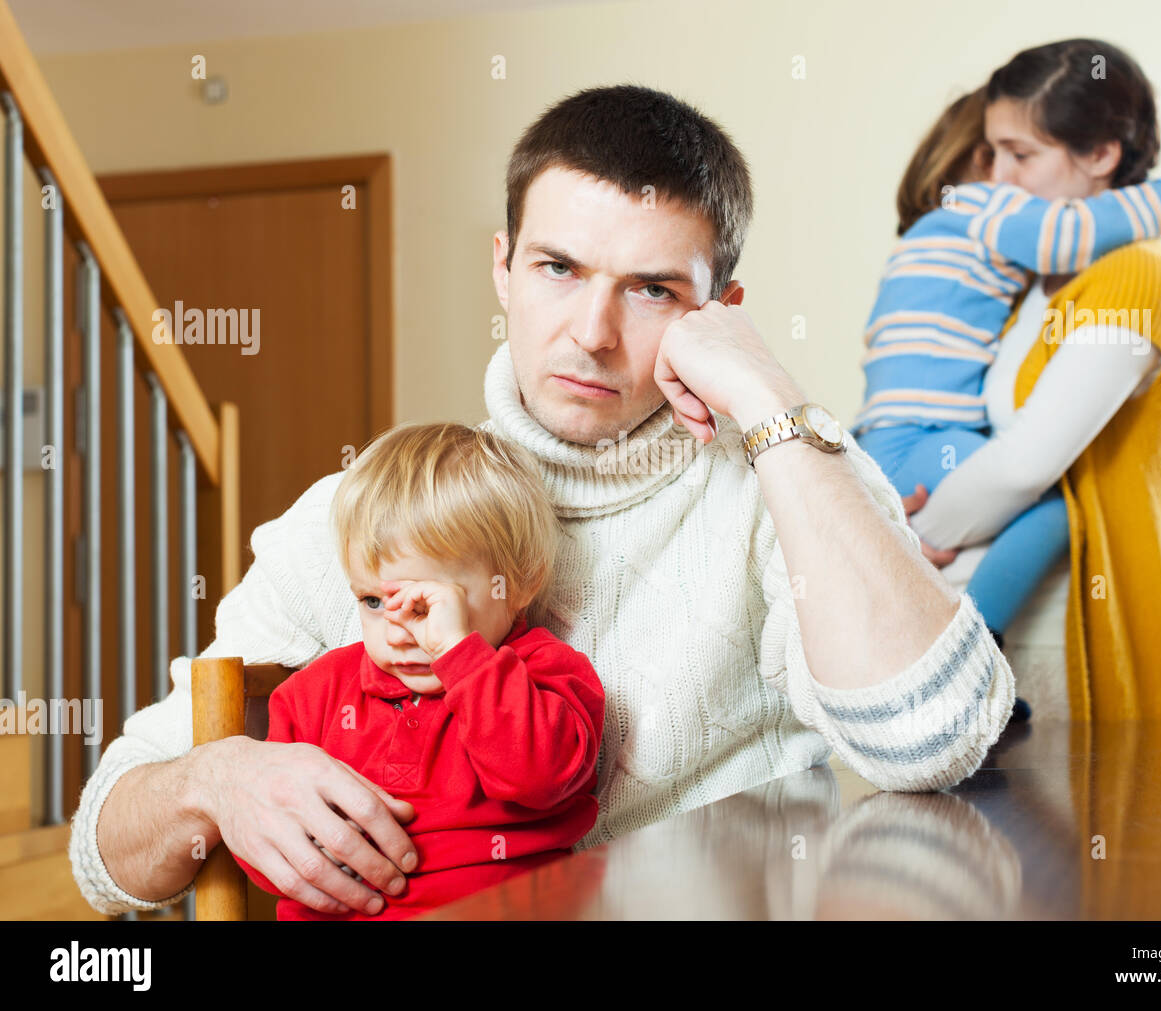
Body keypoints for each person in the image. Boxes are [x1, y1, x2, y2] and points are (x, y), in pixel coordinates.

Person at [69, 84, 1014, 919]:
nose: (592, 334)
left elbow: (936, 741)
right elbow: (99, 857)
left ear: (717, 307)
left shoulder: (779, 475)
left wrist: (770, 401)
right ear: (504, 268)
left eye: (650, 290)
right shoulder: (360, 512)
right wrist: (212, 778)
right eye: (557, 268)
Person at [850, 85, 1161, 717]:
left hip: (903, 454)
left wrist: (878, 524)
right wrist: (878, 534)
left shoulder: (1113, 274)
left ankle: (970, 663)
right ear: (974, 166)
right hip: (920, 464)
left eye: (1021, 153)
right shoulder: (992, 229)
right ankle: (973, 661)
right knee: (1058, 511)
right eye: (998, 154)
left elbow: (1015, 460)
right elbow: (1069, 233)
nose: (1009, 176)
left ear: (1099, 153)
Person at [227, 422, 606, 920]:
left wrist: (459, 655)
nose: (399, 631)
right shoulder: (315, 695)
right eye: (372, 601)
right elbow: (267, 839)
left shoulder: (544, 672)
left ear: (517, 583)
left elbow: (539, 777)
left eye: (427, 606)